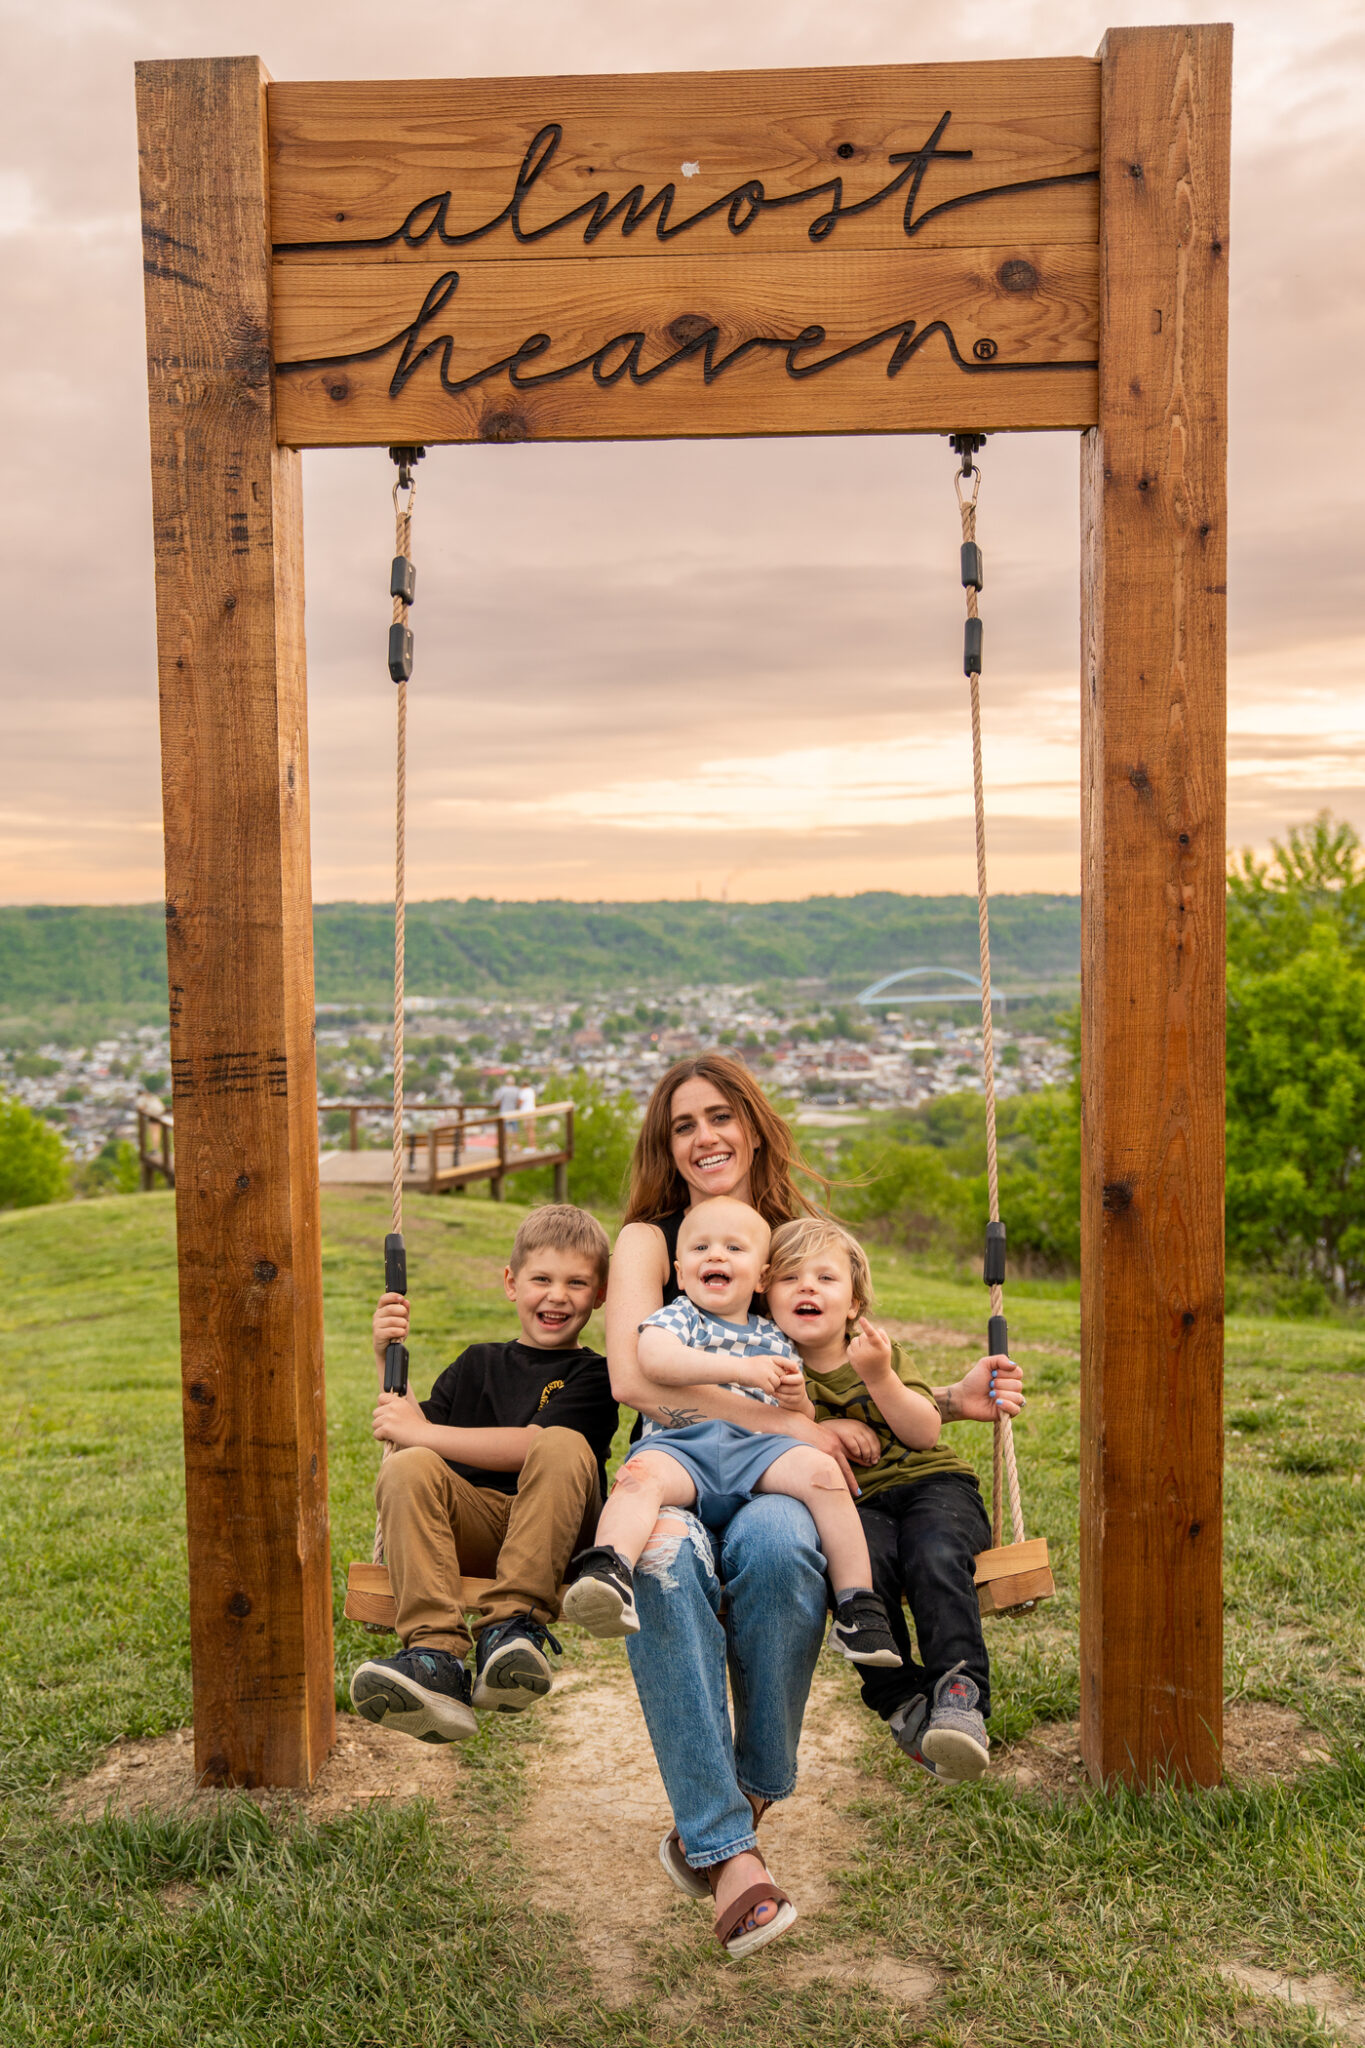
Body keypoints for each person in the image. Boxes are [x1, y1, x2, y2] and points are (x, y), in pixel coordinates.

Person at [605, 1053, 1020, 1959]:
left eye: (719, 1116)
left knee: (788, 1547)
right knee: (663, 1564)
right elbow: (635, 1378)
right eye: (682, 1125)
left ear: (751, 1125)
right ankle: (730, 1851)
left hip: (774, 1476)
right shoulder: (649, 1239)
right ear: (664, 1147)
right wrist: (781, 1419)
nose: (704, 1137)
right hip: (676, 1461)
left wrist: (945, 1402)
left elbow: (844, 1376)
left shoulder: (793, 1239)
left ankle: (742, 1803)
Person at [565, 1196, 903, 1667]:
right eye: (701, 1248)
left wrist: (797, 1402)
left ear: (762, 1278)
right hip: (683, 1446)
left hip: (760, 1452)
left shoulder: (777, 1334)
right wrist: (741, 1371)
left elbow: (802, 1404)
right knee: (639, 1477)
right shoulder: (679, 1316)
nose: (717, 1256)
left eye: (733, 1248)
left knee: (824, 1473)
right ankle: (609, 1570)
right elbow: (654, 1359)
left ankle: (858, 1607)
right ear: (682, 1275)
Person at [764, 1213, 1024, 1784]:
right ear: (766, 1295)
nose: (807, 1288)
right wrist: (816, 1423)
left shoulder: (880, 1353)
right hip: (856, 1506)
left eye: (825, 1279)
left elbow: (926, 1431)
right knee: (861, 1573)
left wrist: (880, 1377)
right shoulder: (773, 1370)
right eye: (789, 1278)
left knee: (932, 1555)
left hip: (934, 1487)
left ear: (854, 1304)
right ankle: (901, 1701)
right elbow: (775, 1434)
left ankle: (961, 1694)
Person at [349, 1204, 617, 1743]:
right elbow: (413, 1431)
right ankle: (435, 1659)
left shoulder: (596, 1375)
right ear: (511, 1283)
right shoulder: (477, 1363)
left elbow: (531, 1446)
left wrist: (422, 1434)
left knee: (560, 1444)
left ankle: (509, 1630)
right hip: (471, 1528)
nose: (557, 1295)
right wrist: (386, 1358)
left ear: (601, 1293)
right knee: (409, 1467)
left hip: (550, 1532)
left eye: (577, 1283)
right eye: (541, 1279)